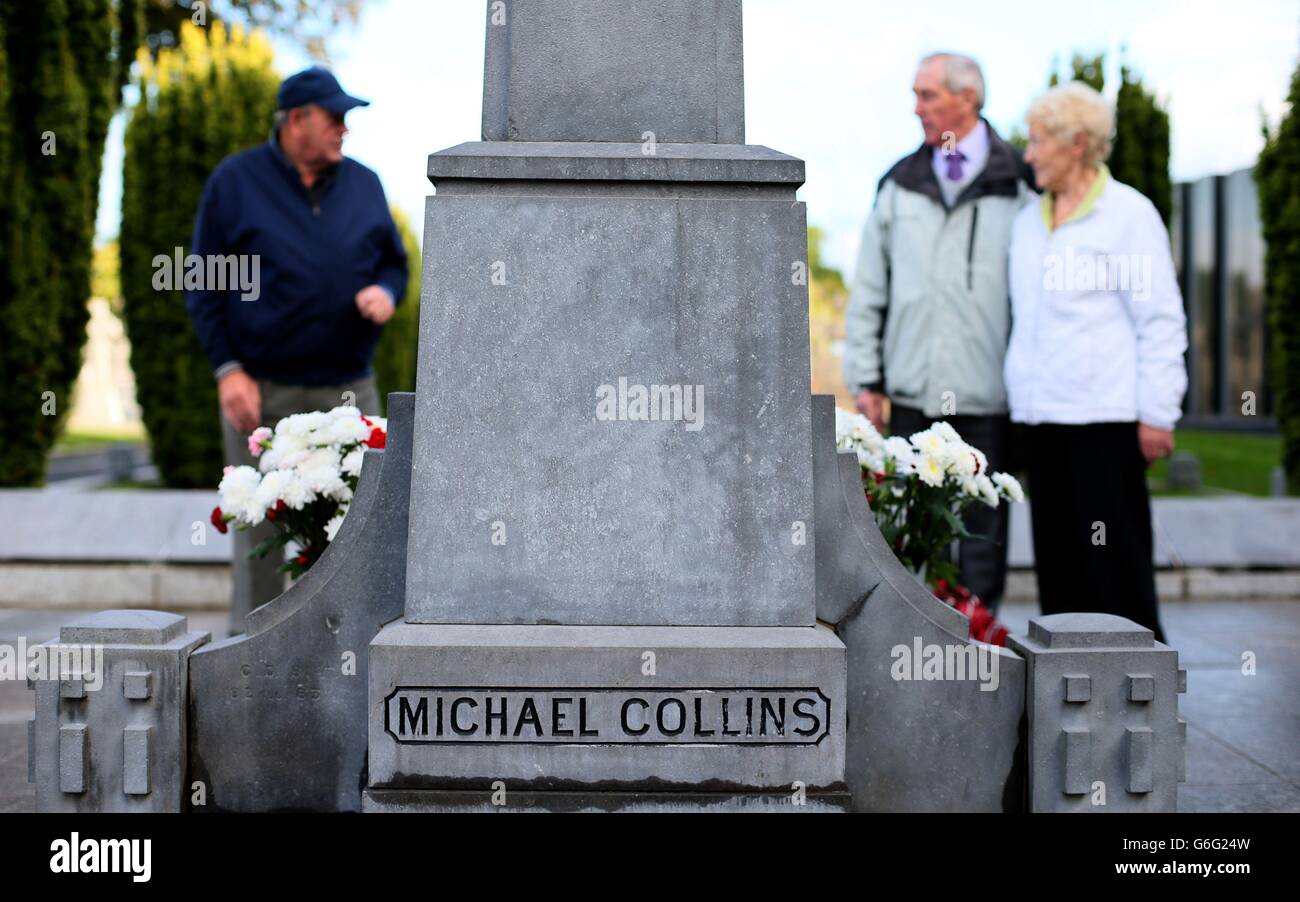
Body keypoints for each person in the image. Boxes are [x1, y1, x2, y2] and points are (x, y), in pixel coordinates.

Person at [186, 67, 409, 633]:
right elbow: (203, 281)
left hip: (347, 391)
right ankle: (248, 660)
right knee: (258, 531)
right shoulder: (234, 183)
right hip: (262, 390)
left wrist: (385, 291)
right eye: (333, 118)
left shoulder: (365, 182)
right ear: (296, 121)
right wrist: (228, 368)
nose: (344, 129)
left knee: (353, 528)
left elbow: (393, 262)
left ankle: (349, 648)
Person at [842, 52, 1035, 612]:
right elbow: (869, 290)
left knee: (981, 544)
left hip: (988, 397)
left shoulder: (1019, 183)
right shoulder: (898, 183)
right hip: (909, 394)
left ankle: (978, 659)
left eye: (927, 96)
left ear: (968, 98)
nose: (916, 108)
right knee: (908, 539)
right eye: (917, 95)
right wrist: (867, 379)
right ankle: (910, 661)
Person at [1006, 82, 1187, 643]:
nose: (1029, 154)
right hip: (1042, 423)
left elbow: (1160, 319)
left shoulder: (1128, 216)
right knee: (1059, 579)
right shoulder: (1027, 222)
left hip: (1104, 426)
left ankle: (1143, 701)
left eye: (1038, 142)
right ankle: (1069, 701)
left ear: (1078, 142)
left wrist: (1159, 413)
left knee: (1117, 575)